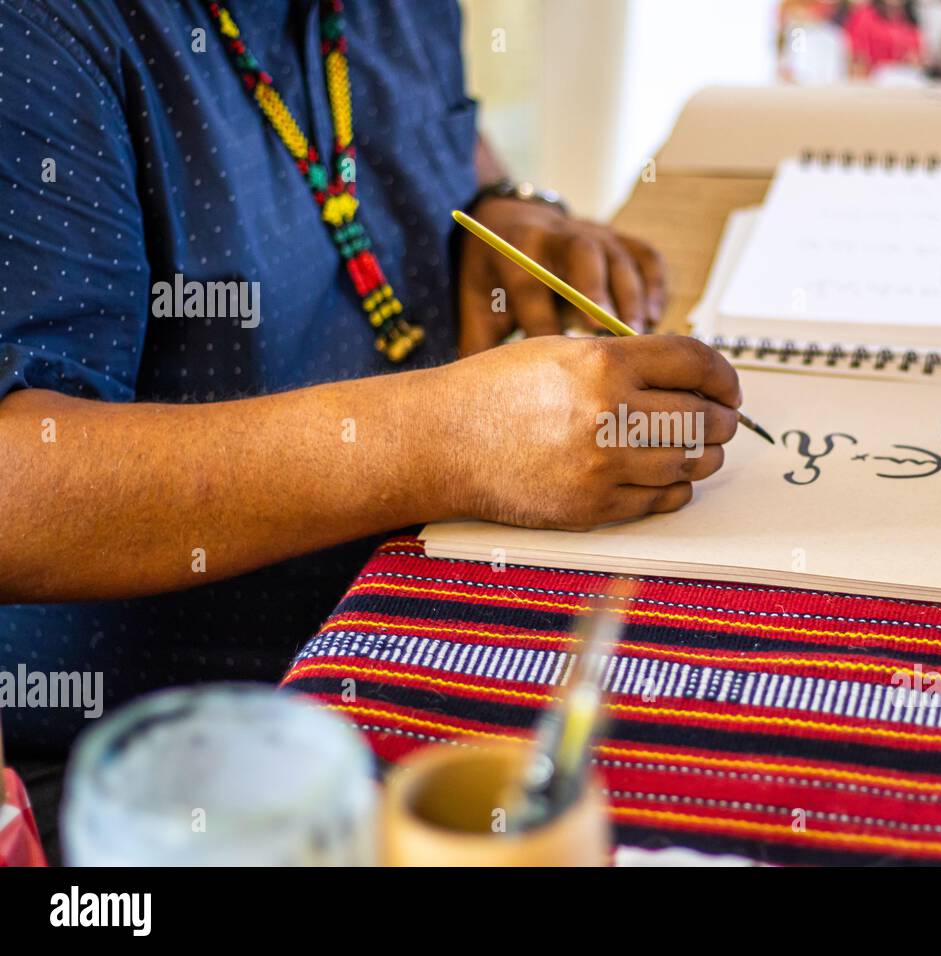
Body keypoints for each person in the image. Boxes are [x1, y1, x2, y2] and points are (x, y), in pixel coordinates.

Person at [0, 0, 741, 765]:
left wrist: (504, 208)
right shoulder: (39, 34)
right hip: (172, 761)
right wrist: (449, 439)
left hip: (421, 591)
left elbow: (425, 132)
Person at [845, 0, 926, 75]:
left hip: (903, 81)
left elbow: (918, 57)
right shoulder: (863, 17)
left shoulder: (911, 22)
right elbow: (856, 58)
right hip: (871, 83)